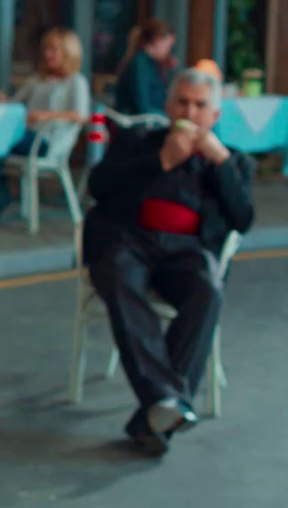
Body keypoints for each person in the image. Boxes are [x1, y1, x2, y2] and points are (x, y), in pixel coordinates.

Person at [84, 68, 253, 456]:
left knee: (208, 291)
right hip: (130, 240)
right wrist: (161, 161)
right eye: (182, 102)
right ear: (167, 106)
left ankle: (157, 411)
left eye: (200, 105)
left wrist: (221, 162)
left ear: (215, 115)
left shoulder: (233, 161)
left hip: (188, 251)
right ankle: (166, 403)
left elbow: (242, 219)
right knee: (118, 275)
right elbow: (98, 186)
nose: (190, 113)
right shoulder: (137, 141)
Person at [0, 27, 90, 231]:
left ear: (68, 53)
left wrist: (45, 115)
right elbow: (15, 104)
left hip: (46, 142)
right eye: (46, 49)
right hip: (23, 136)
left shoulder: (76, 82)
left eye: (54, 50)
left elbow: (80, 116)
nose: (48, 54)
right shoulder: (37, 79)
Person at [113, 18, 178, 116]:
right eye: (168, 46)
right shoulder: (140, 64)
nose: (168, 51)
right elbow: (142, 106)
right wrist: (171, 115)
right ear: (157, 41)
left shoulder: (152, 64)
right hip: (141, 121)